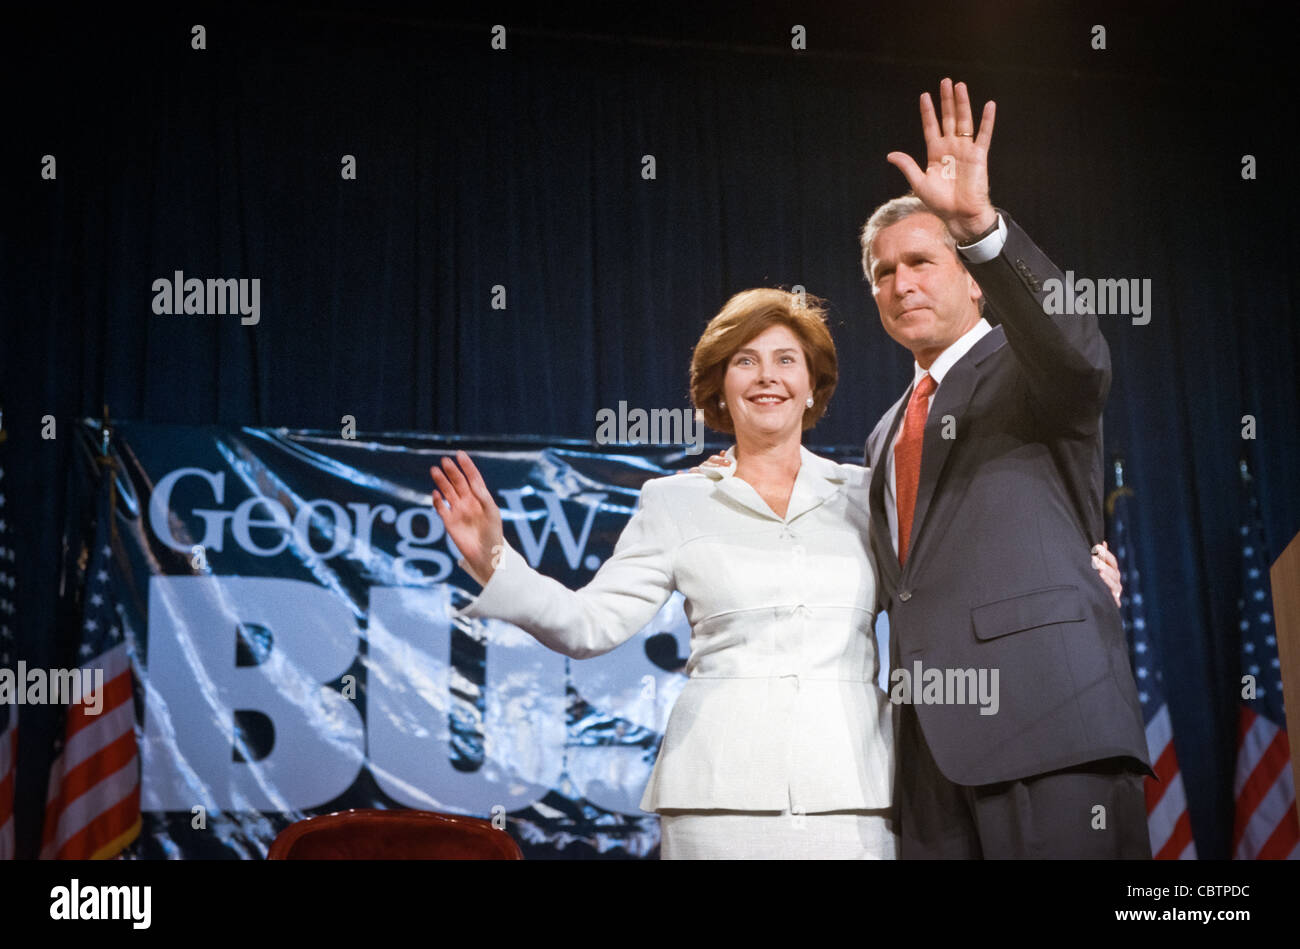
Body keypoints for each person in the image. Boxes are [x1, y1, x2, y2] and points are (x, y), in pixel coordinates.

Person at [431, 286, 1123, 859]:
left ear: (812, 384)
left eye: (786, 359)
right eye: (746, 360)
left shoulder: (868, 491)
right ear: (718, 386)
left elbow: (945, 591)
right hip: (716, 800)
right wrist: (496, 559)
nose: (768, 376)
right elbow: (589, 625)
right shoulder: (671, 501)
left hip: (853, 794)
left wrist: (1076, 581)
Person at [859, 78, 1152, 857]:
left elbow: (1078, 352)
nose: (901, 283)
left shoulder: (1029, 367)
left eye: (921, 260)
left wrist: (982, 227)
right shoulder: (884, 433)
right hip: (927, 760)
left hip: (1048, 725)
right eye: (883, 274)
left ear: (972, 278)